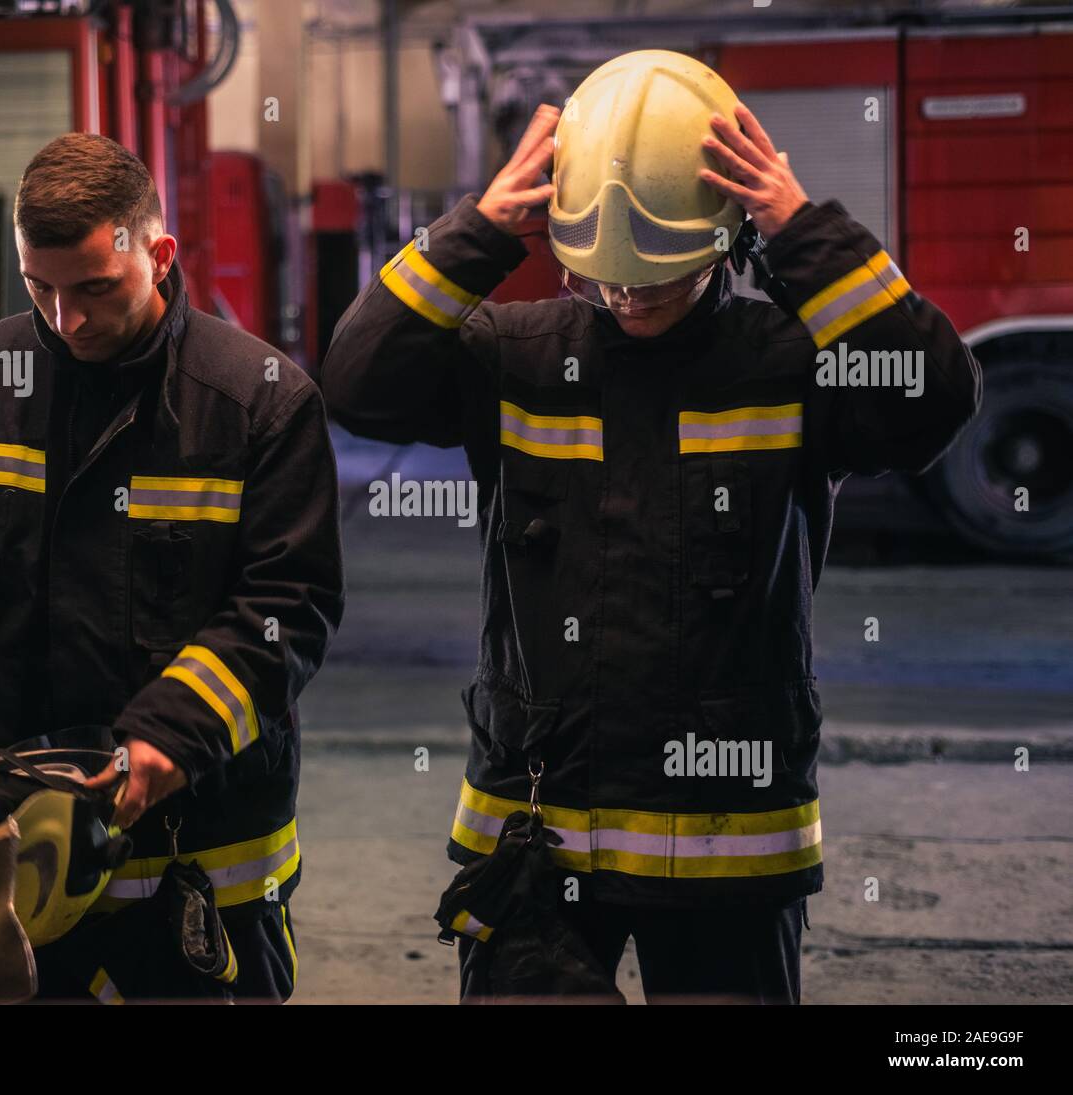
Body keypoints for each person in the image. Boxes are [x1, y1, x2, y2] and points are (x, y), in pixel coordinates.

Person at [318, 51, 981, 1004]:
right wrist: (476, 233)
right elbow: (355, 382)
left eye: (652, 281)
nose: (627, 297)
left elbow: (935, 401)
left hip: (728, 840)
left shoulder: (788, 364)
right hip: (535, 832)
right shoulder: (519, 358)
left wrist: (803, 233)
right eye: (605, 279)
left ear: (721, 240)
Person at [0, 132, 344, 1002]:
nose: (67, 320)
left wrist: (168, 732)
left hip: (207, 857)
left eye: (95, 287)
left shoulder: (260, 401)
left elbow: (291, 603)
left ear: (159, 255)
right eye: (39, 287)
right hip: (22, 840)